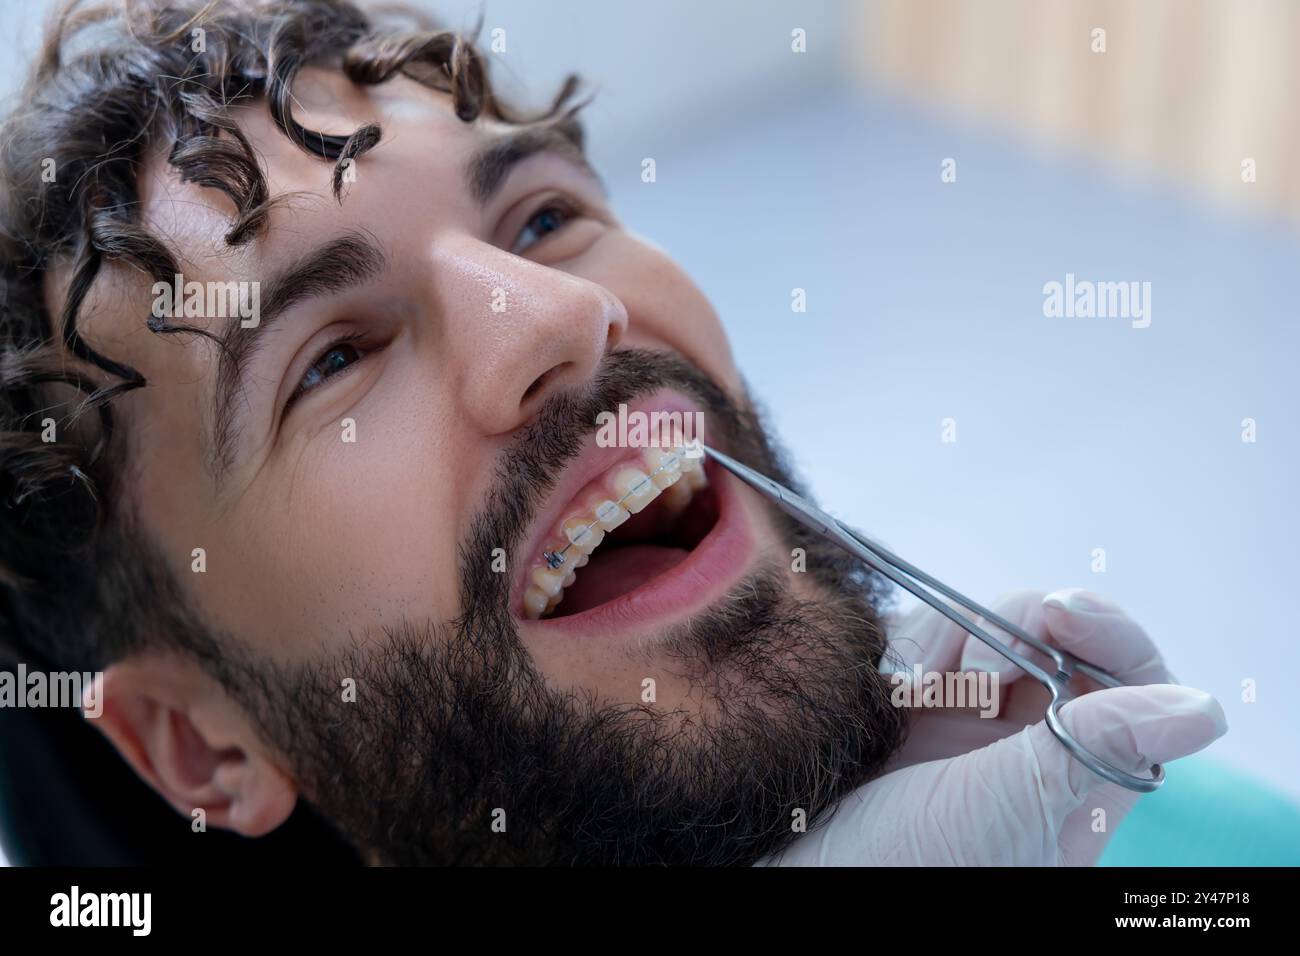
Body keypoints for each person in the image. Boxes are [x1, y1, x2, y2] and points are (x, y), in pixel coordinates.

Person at [0, 0, 1224, 866]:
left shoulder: (1113, 799)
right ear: (202, 744)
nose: (566, 317)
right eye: (332, 357)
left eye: (540, 220)